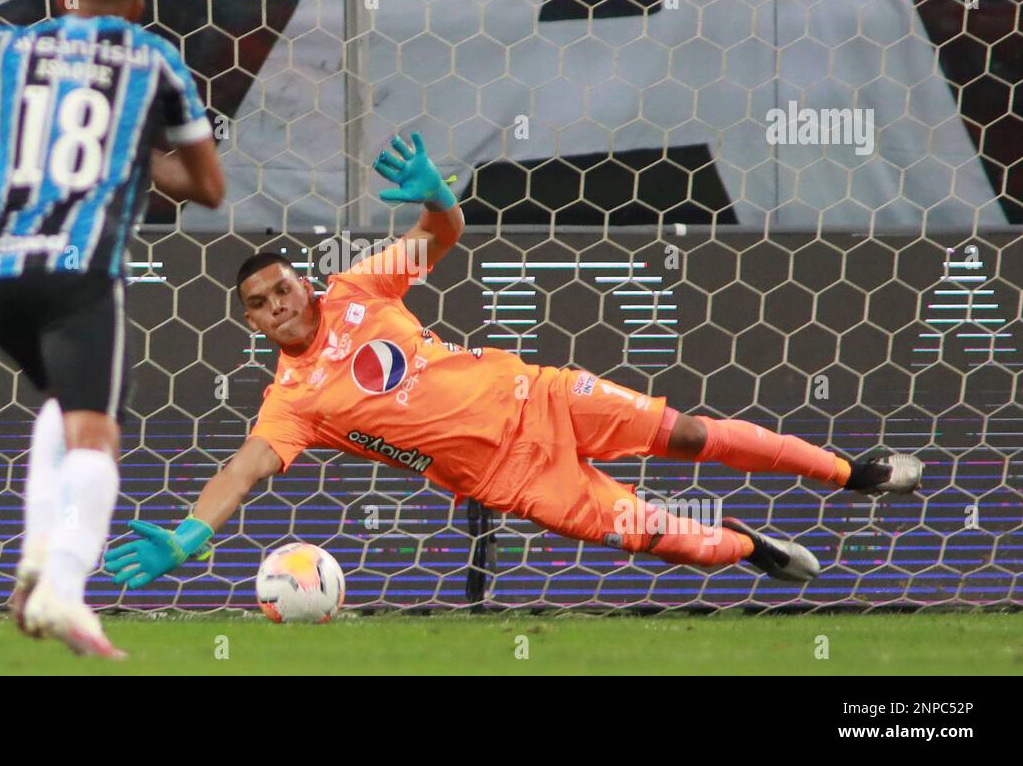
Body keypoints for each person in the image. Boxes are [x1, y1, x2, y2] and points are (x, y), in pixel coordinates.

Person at [103, 132, 921, 592]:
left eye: (280, 289)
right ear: (250, 323)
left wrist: (437, 197)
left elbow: (442, 237)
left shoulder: (359, 290)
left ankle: (854, 474)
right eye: (258, 305)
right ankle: (745, 545)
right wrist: (185, 533)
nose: (275, 306)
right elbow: (243, 470)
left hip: (542, 396)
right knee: (666, 540)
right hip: (514, 482)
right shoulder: (293, 402)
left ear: (305, 284)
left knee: (689, 435)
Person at [0, 0, 224, 656]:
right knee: (97, 436)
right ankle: (68, 589)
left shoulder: (17, 46)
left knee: (61, 406)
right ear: (135, 8)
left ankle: (36, 563)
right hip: (79, 270)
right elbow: (209, 187)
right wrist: (145, 155)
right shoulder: (153, 58)